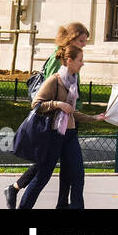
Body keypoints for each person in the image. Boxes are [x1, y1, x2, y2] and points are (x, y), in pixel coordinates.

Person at [6, 22, 91, 210]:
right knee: (44, 171)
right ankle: (15, 190)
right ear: (71, 40)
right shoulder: (60, 58)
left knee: (71, 171)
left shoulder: (75, 62)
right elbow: (49, 91)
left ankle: (61, 203)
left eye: (85, 41)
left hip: (68, 123)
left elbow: (71, 92)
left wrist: (83, 112)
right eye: (81, 40)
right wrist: (61, 104)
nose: (83, 44)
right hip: (53, 124)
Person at [18, 43, 100, 209]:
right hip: (53, 135)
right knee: (42, 177)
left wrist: (94, 118)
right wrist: (58, 104)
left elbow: (71, 111)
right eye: (80, 60)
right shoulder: (54, 80)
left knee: (78, 176)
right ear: (69, 61)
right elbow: (36, 104)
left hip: (69, 135)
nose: (82, 63)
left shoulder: (73, 81)